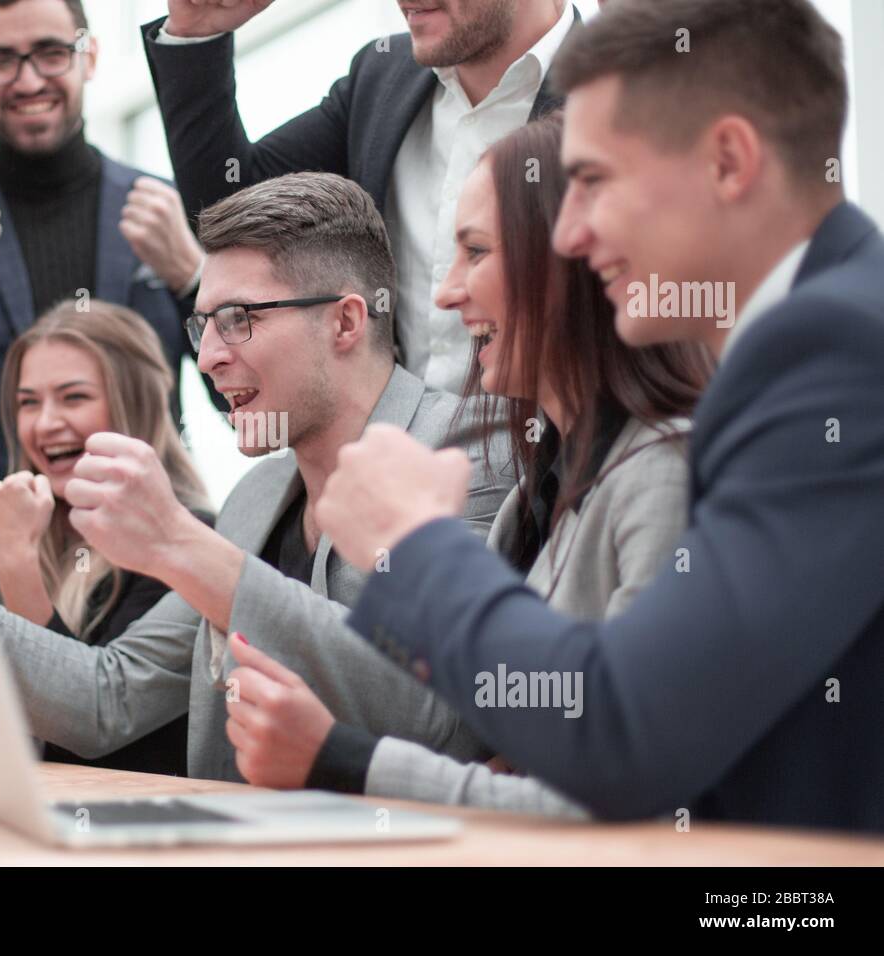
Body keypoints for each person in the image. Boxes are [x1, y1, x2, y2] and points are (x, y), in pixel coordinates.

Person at [316, 0, 884, 833]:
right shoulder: (805, 344)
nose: (570, 235)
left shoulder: (828, 349)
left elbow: (628, 728)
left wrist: (415, 544)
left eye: (593, 182)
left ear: (728, 161)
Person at [0, 172, 511, 782]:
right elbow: (104, 699)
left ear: (345, 320)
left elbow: (441, 722)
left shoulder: (472, 453)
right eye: (203, 324)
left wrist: (179, 544)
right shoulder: (256, 497)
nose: (211, 356)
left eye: (240, 320)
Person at [222, 114, 712, 813]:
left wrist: (340, 758)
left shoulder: (663, 472)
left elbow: (623, 802)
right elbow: (509, 734)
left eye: (476, 253)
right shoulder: (540, 492)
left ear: (575, 256)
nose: (447, 294)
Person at [0, 0, 217, 572]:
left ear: (90, 57)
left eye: (52, 53)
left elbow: (245, 409)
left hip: (155, 572)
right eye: (2, 60)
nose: (28, 80)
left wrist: (193, 283)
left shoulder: (167, 212)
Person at [140, 0, 579, 394]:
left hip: (563, 464)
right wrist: (198, 29)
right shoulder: (382, 77)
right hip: (400, 458)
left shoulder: (615, 92)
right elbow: (231, 210)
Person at [0, 300, 210, 774]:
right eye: (28, 402)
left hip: (134, 820)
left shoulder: (191, 538)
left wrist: (15, 560)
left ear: (135, 404)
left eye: (73, 397)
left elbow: (78, 718)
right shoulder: (36, 521)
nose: (45, 423)